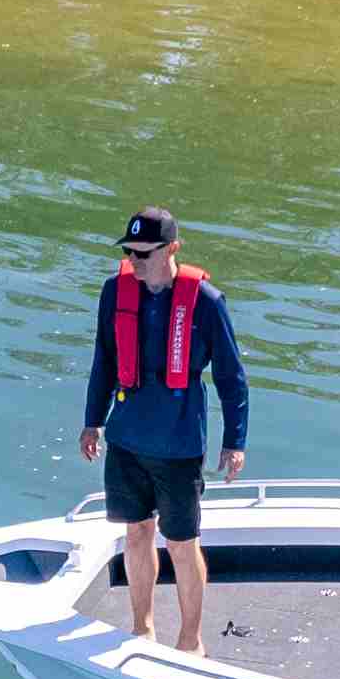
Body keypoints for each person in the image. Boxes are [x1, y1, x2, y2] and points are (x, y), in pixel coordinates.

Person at [76, 207, 248, 649]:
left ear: (172, 248)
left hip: (178, 445)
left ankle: (190, 640)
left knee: (181, 544)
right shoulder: (115, 291)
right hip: (127, 439)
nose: (134, 260)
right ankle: (142, 627)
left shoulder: (206, 302)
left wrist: (235, 442)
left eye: (144, 253)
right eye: (129, 252)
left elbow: (231, 377)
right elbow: (105, 361)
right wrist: (92, 422)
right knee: (135, 533)